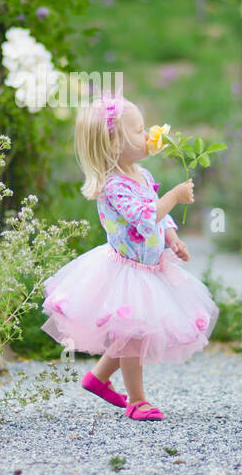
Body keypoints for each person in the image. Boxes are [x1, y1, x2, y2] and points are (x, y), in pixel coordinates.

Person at [40, 89, 220, 420]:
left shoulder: (143, 175)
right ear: (113, 145)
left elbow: (159, 218)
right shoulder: (113, 185)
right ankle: (137, 400)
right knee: (133, 335)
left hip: (149, 268)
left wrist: (172, 237)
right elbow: (144, 215)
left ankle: (98, 378)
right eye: (138, 130)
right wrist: (175, 195)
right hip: (125, 270)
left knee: (131, 333)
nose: (147, 134)